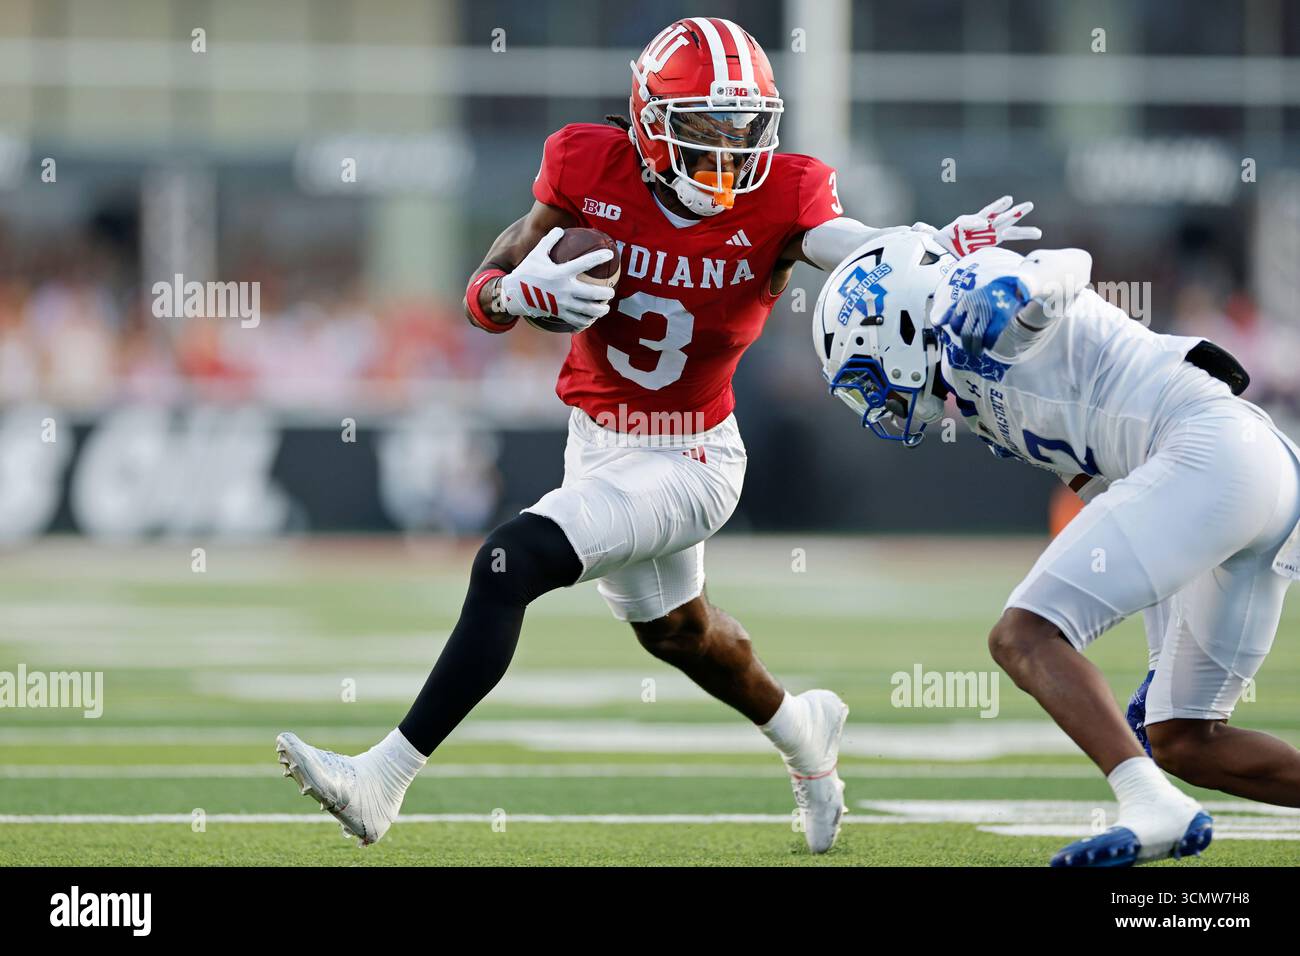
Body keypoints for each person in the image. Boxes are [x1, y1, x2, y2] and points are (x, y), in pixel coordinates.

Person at [277, 16, 1038, 855]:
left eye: (742, 133)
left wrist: (923, 250)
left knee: (509, 561)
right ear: (647, 124)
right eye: (704, 134)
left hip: (695, 454)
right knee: (679, 632)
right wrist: (514, 297)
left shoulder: (784, 193)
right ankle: (803, 731)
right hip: (596, 439)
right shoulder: (584, 163)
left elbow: (849, 247)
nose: (727, 159)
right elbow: (488, 283)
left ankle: (382, 781)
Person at [812, 231, 1300, 866]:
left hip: (1211, 451)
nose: (873, 396)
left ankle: (1153, 807)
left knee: (1023, 636)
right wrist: (1163, 640)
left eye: (866, 370)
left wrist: (1022, 289)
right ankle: (1160, 793)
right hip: (1241, 477)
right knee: (1182, 738)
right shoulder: (981, 407)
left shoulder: (972, 299)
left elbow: (1069, 267)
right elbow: (1122, 493)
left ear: (898, 325)